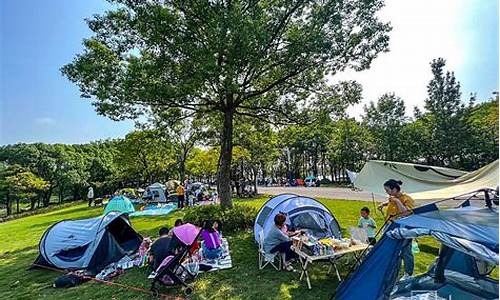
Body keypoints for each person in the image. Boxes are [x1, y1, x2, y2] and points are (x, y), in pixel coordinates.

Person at [377, 179, 416, 281]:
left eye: (387, 190)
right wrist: (383, 204)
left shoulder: (406, 199)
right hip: (390, 226)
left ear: (394, 189)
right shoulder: (392, 197)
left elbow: (407, 212)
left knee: (405, 251)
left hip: (403, 228)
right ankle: (391, 269)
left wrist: (398, 202)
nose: (387, 192)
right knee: (390, 247)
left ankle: (408, 273)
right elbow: (390, 201)